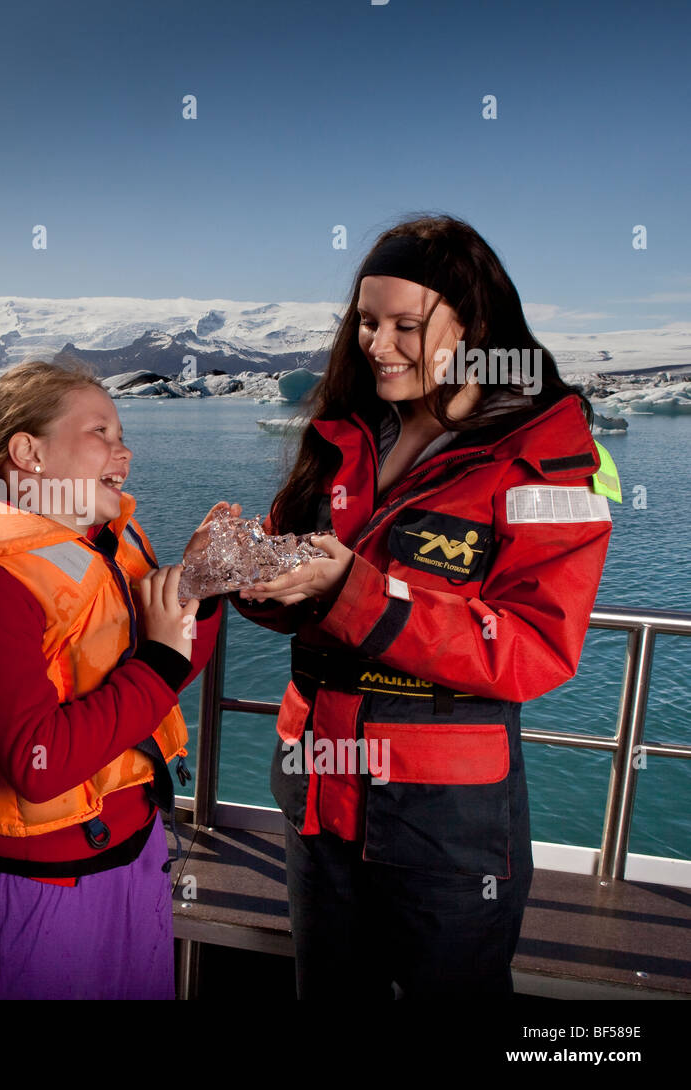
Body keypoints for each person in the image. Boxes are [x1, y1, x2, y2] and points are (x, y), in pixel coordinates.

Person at [231, 215, 615, 999]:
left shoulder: (546, 462)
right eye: (367, 322)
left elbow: (533, 648)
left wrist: (352, 593)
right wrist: (255, 577)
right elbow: (295, 578)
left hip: (444, 826)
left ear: (473, 328)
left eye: (407, 326)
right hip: (315, 792)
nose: (378, 345)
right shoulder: (344, 434)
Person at [0, 360, 232, 1000]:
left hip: (134, 849)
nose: (124, 450)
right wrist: (158, 659)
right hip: (47, 884)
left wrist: (202, 594)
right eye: (100, 431)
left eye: (121, 432)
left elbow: (166, 681)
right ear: (29, 453)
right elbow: (37, 764)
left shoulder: (107, 544)